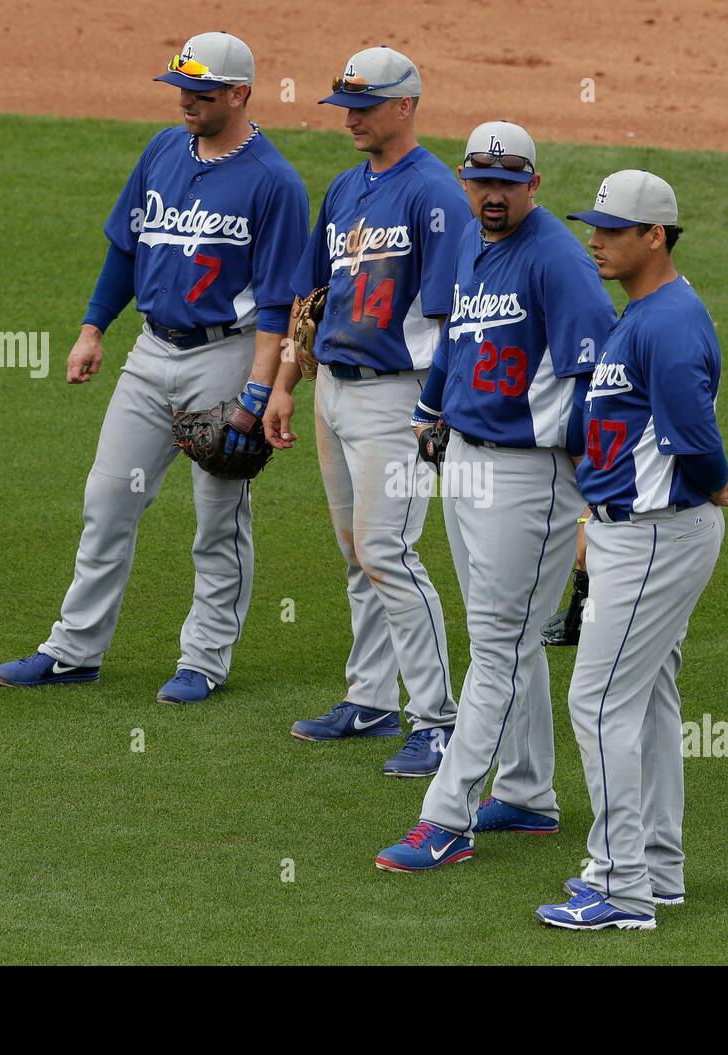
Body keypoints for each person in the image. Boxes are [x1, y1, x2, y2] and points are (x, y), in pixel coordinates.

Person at [0, 32, 309, 704]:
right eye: (180, 88)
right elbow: (126, 249)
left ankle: (204, 660)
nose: (186, 100)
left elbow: (281, 303)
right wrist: (92, 329)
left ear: (240, 94)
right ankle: (74, 651)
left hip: (226, 355)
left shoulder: (275, 182)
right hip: (149, 352)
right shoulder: (163, 151)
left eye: (202, 92)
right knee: (108, 501)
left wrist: (257, 391)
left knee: (219, 518)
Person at [373, 121, 618, 871]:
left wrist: (594, 495)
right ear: (464, 181)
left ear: (532, 185)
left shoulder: (558, 261)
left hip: (530, 477)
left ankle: (446, 817)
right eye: (481, 180)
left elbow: (597, 379)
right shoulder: (473, 244)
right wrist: (429, 410)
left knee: (498, 648)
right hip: (467, 462)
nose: (493, 194)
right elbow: (458, 336)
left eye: (508, 183)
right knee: (507, 641)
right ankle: (527, 792)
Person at [535, 170, 728, 930]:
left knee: (596, 702)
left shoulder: (669, 323)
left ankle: (621, 888)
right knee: (647, 699)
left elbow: (694, 433)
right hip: (636, 532)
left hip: (653, 537)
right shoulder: (647, 312)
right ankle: (656, 868)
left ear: (656, 235)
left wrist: (713, 482)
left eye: (614, 230)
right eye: (593, 226)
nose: (596, 240)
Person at [265, 46, 467, 777]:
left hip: (397, 397)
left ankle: (439, 721)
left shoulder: (435, 194)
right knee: (358, 551)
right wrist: (285, 383)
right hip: (334, 390)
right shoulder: (346, 188)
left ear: (405, 105)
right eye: (344, 105)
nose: (349, 118)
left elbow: (451, 318)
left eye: (364, 106)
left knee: (388, 552)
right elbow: (311, 296)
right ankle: (372, 698)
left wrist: (436, 408)